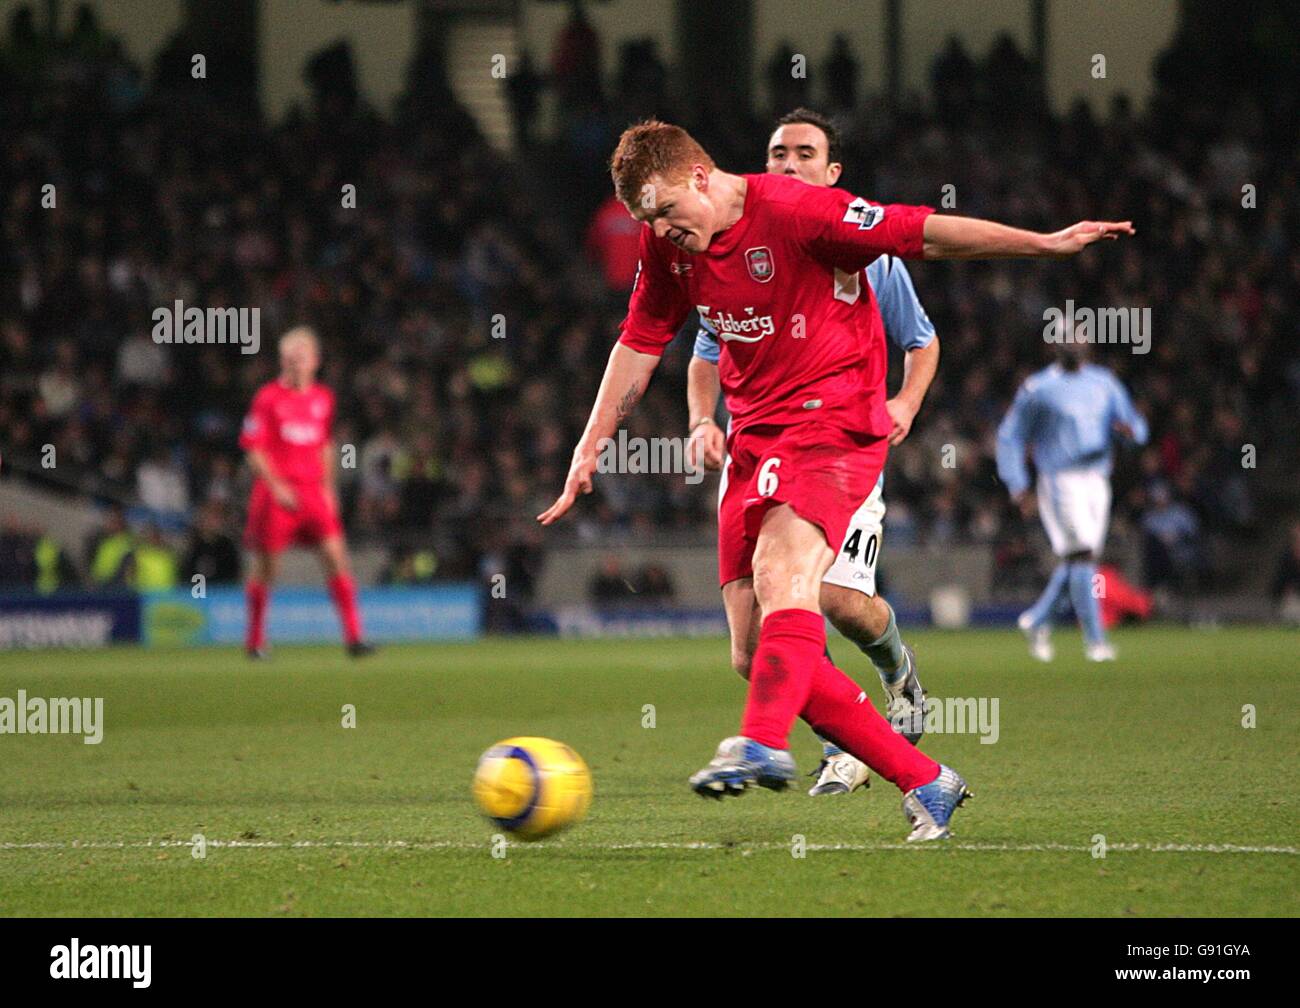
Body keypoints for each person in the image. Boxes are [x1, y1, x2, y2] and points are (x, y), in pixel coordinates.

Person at [539, 119, 1133, 841]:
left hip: (833, 423)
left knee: (785, 571)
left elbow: (927, 232)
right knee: (754, 650)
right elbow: (640, 340)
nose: (662, 228)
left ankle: (760, 740)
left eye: (666, 210)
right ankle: (928, 781)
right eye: (647, 220)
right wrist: (590, 444)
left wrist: (1044, 242)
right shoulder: (667, 246)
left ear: (700, 176)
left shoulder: (797, 210)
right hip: (755, 440)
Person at [687, 108, 940, 798]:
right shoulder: (727, 250)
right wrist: (699, 421)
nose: (789, 164)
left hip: (832, 444)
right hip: (754, 449)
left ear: (832, 174)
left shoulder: (861, 248)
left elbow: (922, 340)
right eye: (777, 153)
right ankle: (843, 744)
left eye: (805, 153)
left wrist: (906, 404)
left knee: (835, 601)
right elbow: (705, 351)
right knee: (756, 638)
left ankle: (897, 673)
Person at [996, 343, 1148, 661]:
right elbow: (1010, 436)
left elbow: (1135, 424)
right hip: (1059, 478)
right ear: (1056, 347)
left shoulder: (1104, 382)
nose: (1073, 347)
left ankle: (1038, 620)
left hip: (1097, 479)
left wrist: (1132, 432)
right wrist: (1018, 484)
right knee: (1082, 555)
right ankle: (1096, 641)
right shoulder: (1039, 388)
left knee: (1081, 561)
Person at [240, 326, 373, 658]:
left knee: (337, 558)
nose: (294, 363)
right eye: (288, 357)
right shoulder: (267, 398)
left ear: (314, 360)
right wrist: (276, 487)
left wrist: (329, 489)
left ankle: (355, 639)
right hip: (277, 495)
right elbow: (254, 449)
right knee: (268, 569)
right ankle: (255, 641)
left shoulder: (322, 398)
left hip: (313, 492)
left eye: (300, 357)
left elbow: (325, 445)